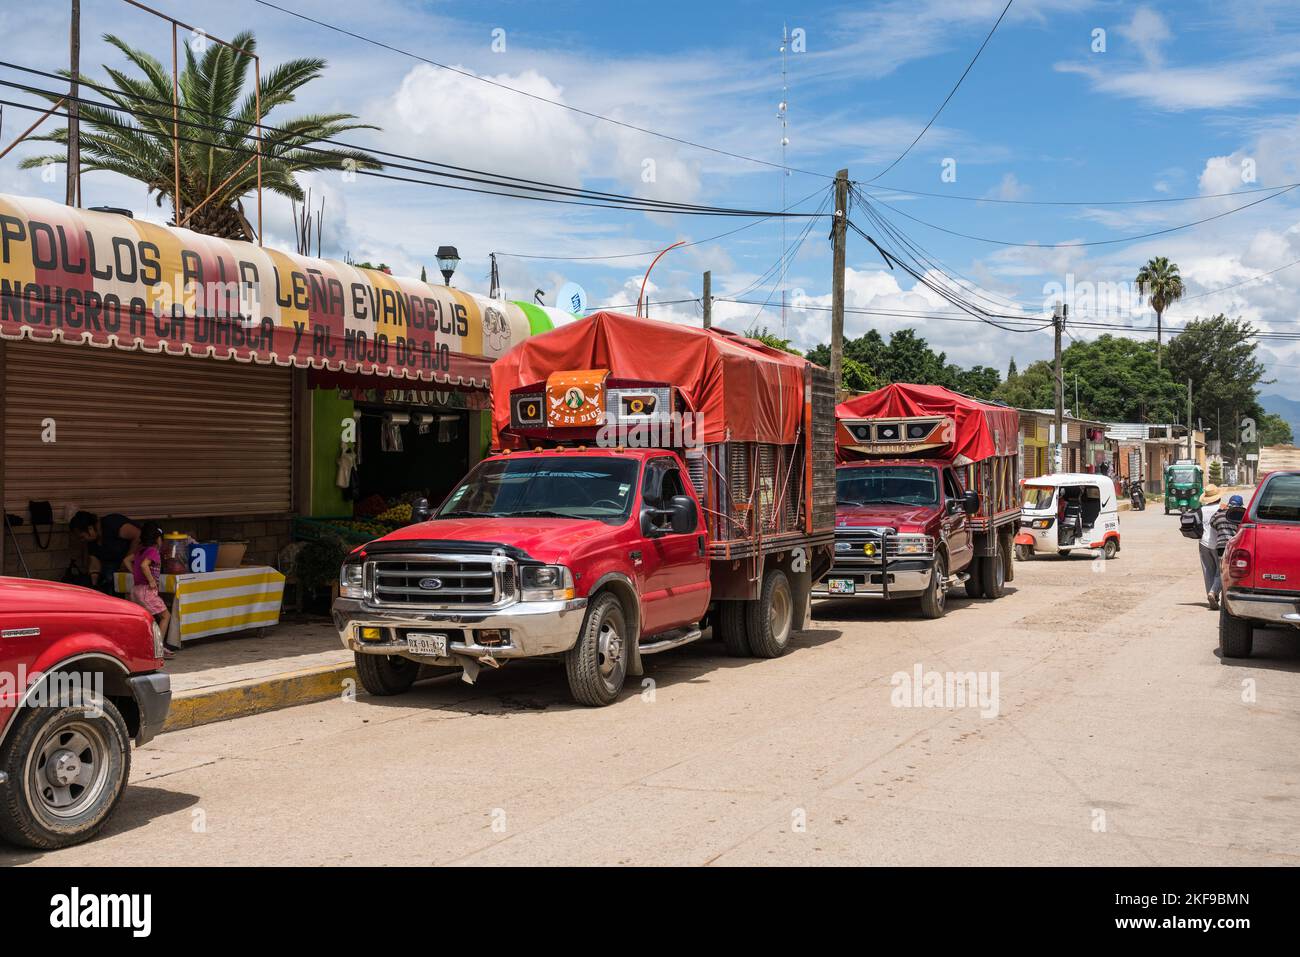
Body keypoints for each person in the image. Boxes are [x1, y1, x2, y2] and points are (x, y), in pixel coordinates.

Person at [70, 510, 141, 595]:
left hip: (136, 559)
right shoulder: (92, 542)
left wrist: (128, 559)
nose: (82, 540)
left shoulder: (112, 524)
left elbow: (138, 535)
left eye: (82, 537)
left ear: (90, 528)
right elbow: (94, 562)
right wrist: (94, 584)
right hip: (115, 565)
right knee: (108, 578)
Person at [131, 524, 176, 658]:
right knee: (165, 616)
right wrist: (151, 580)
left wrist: (134, 572)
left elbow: (127, 560)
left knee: (147, 620)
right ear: (158, 539)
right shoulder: (153, 551)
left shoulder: (140, 551)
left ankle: (147, 647)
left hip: (136, 590)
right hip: (146, 590)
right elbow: (144, 565)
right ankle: (158, 649)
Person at [1196, 485, 1223, 609]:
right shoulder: (1222, 509)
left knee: (1208, 571)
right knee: (1221, 571)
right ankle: (1214, 592)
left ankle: (1211, 595)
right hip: (1219, 544)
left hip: (1203, 543)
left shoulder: (1201, 509)